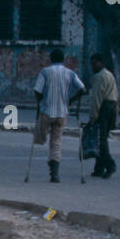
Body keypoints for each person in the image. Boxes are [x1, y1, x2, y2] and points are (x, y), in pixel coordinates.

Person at [32, 48, 86, 183]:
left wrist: (40, 102)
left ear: (51, 59)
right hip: (62, 112)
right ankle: (54, 171)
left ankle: (50, 160)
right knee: (56, 142)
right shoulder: (70, 73)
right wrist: (71, 100)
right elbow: (82, 89)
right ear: (63, 60)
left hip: (47, 111)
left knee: (39, 137)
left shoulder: (45, 72)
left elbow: (37, 90)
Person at [85, 53, 118, 179]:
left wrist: (93, 116)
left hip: (104, 108)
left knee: (100, 139)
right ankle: (98, 167)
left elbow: (96, 98)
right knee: (102, 137)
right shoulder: (109, 75)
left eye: (94, 63)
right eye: (91, 64)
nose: (92, 66)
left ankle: (110, 164)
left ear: (101, 63)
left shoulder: (99, 77)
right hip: (112, 107)